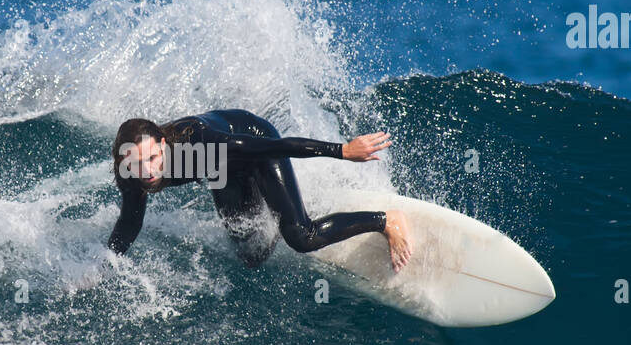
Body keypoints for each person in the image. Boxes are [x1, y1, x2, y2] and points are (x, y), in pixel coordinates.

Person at [106, 109, 412, 271]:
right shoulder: (131, 171)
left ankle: (387, 220)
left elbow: (275, 145)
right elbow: (130, 222)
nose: (147, 172)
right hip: (222, 169)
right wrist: (107, 264)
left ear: (162, 143)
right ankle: (284, 209)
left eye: (153, 158)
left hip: (253, 141)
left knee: (302, 238)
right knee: (249, 255)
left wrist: (343, 150)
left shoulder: (199, 143)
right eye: (136, 164)